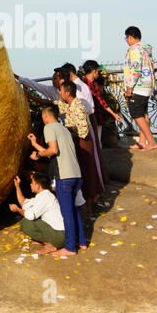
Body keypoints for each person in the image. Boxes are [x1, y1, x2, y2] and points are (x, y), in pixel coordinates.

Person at [28, 103, 87, 257]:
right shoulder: (64, 129)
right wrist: (35, 145)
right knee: (73, 209)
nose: (42, 119)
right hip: (76, 175)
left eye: (42, 116)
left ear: (46, 116)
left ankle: (70, 248)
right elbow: (54, 152)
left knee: (66, 213)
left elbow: (53, 150)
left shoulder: (48, 128)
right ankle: (81, 242)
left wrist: (38, 156)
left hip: (64, 177)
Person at [59, 62, 107, 195]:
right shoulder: (76, 90)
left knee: (90, 163)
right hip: (82, 125)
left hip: (84, 126)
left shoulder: (79, 90)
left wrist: (76, 131)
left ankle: (94, 192)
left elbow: (87, 109)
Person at [56, 78, 102, 214]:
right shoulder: (68, 105)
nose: (59, 93)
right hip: (76, 142)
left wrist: (69, 130)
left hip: (82, 143)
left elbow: (83, 131)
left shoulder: (78, 106)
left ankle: (89, 206)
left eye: (61, 91)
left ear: (67, 93)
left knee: (86, 172)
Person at [9, 169, 66, 253]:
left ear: (38, 185)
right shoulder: (42, 195)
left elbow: (30, 216)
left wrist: (17, 209)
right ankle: (47, 240)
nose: (30, 184)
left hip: (60, 236)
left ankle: (50, 245)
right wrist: (17, 186)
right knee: (30, 218)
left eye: (32, 182)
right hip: (59, 234)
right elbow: (24, 203)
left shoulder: (45, 197)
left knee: (26, 222)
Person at [123, 27, 157, 150]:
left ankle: (152, 142)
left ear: (130, 37)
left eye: (126, 38)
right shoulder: (146, 49)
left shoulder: (135, 50)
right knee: (143, 115)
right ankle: (142, 142)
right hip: (147, 85)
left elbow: (136, 70)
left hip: (138, 87)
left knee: (137, 114)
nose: (126, 40)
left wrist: (129, 87)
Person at [80, 60, 124, 145]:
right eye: (97, 71)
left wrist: (114, 114)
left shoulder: (90, 84)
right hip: (90, 117)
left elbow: (102, 102)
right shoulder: (85, 85)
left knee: (96, 142)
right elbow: (101, 102)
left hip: (96, 117)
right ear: (94, 71)